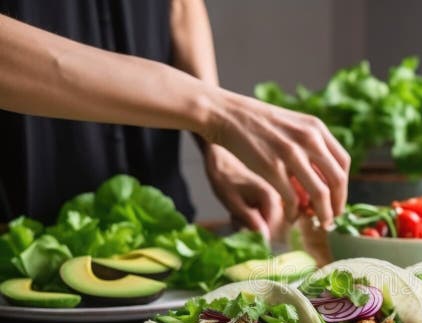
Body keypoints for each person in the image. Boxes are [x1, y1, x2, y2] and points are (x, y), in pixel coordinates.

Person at [0, 0, 349, 240]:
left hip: (157, 219)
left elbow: (181, 5)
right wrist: (216, 112)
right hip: (17, 220)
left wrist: (218, 147)